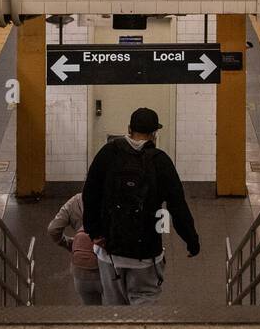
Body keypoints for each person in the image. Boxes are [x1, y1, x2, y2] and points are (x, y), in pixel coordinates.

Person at [81, 107, 199, 305]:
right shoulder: (160, 161)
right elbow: (177, 205)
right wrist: (191, 240)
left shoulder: (108, 153)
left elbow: (90, 194)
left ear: (129, 128)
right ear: (154, 134)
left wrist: (95, 232)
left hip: (109, 251)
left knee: (114, 309)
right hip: (145, 253)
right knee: (145, 306)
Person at [46, 192, 102, 305]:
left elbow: (53, 229)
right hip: (108, 267)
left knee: (92, 312)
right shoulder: (114, 198)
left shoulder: (75, 201)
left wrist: (71, 244)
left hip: (82, 268)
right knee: (114, 312)